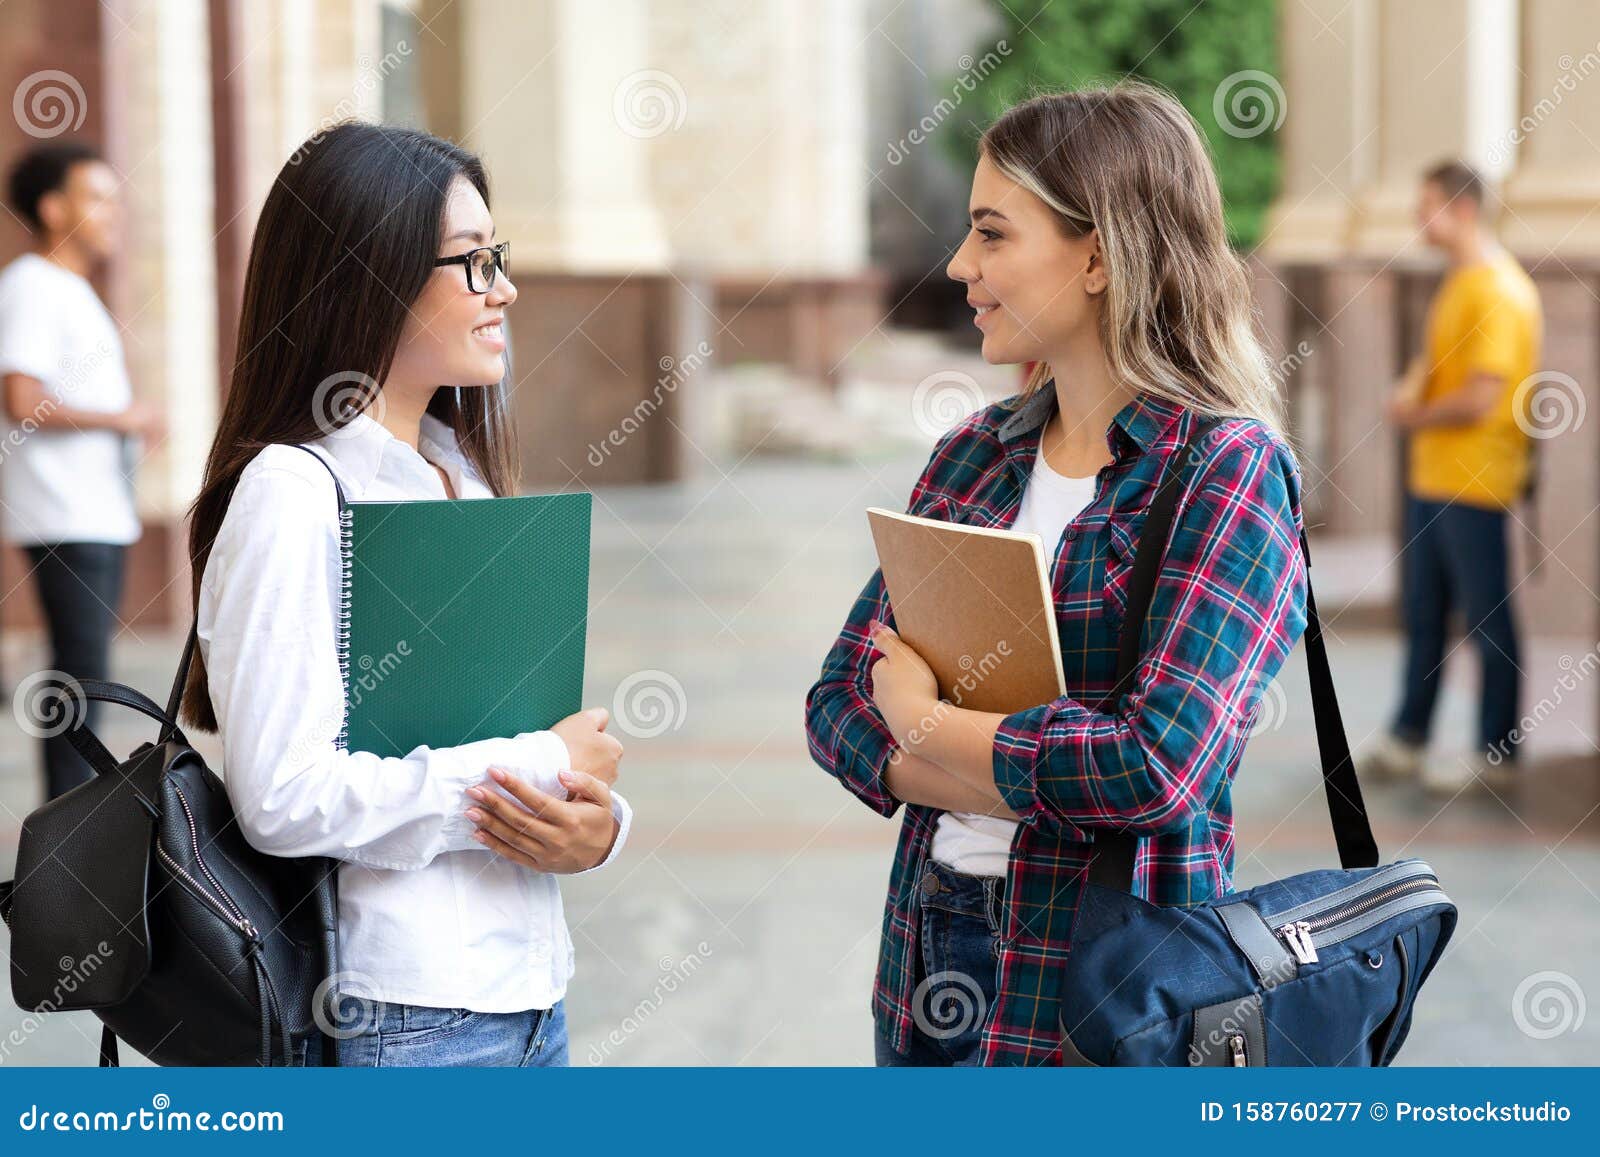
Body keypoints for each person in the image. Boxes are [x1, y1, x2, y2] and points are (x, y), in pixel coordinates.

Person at [804, 81, 1310, 1067]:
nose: (959, 265)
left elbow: (1158, 765)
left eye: (993, 233)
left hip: (1107, 977)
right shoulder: (972, 456)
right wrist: (1005, 763)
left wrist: (927, 727)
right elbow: (832, 705)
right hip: (930, 948)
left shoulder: (1225, 471)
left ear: (1098, 253)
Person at [177, 122, 631, 1067]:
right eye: (471, 262)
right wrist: (540, 759)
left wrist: (590, 828)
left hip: (530, 995)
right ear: (367, 274)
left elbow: (495, 732)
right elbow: (283, 796)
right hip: (406, 1014)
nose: (502, 287)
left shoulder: (452, 466)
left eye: (496, 257)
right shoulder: (292, 493)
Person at [1360, 160, 1541, 796]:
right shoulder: (1459, 283)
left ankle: (1499, 750)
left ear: (1462, 209)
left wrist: (1414, 412)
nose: (1419, 217)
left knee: (1488, 617)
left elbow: (1483, 397)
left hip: (1476, 480)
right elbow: (1438, 367)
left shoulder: (1498, 289)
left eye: (1428, 203)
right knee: (1425, 613)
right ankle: (1410, 735)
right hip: (1435, 477)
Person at [0, 141, 164, 798]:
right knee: (78, 680)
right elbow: (19, 398)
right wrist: (120, 418)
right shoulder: (32, 286)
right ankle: (65, 842)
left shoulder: (66, 288)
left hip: (92, 510)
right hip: (64, 513)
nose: (112, 212)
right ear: (50, 207)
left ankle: (68, 834)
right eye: (95, 196)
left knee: (83, 677)